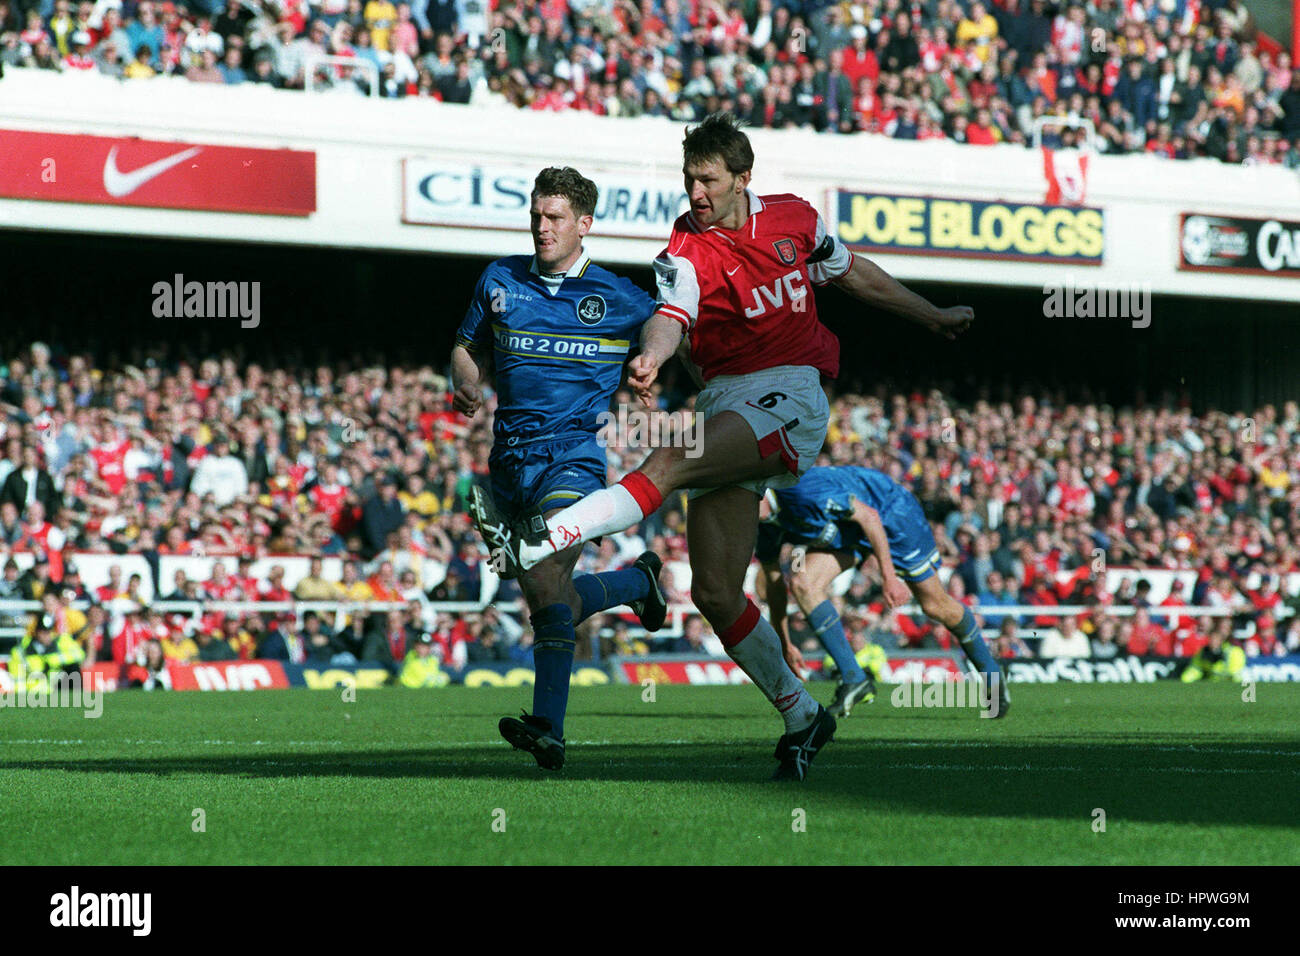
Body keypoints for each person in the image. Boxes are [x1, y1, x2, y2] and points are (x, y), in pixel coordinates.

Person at [478, 115, 973, 780]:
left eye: (707, 179)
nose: (696, 191)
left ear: (743, 178)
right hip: (723, 402)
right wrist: (652, 358)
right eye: (688, 179)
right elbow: (669, 316)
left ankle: (540, 539)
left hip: (791, 394)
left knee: (668, 459)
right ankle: (803, 715)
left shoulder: (796, 220)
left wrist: (932, 314)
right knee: (715, 590)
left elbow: (858, 278)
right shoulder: (684, 246)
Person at [455, 166, 670, 771]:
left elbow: (663, 317)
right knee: (552, 600)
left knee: (544, 559)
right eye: (535, 215)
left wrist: (650, 354)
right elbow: (466, 346)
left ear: (584, 224)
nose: (541, 227)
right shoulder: (499, 279)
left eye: (553, 217)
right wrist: (465, 380)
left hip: (572, 457)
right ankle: (636, 584)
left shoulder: (615, 295)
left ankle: (549, 725)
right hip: (510, 463)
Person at [758, 466, 1008, 718]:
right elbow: (775, 585)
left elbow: (870, 518)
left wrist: (889, 577)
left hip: (890, 512)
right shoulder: (762, 527)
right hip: (849, 530)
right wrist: (784, 643)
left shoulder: (800, 489)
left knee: (934, 606)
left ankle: (991, 673)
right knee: (803, 583)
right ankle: (854, 679)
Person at [1180, 630, 1246, 682]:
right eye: (1211, 639)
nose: (1213, 642)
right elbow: (1195, 669)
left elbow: (1236, 675)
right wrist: (1185, 680)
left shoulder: (1234, 652)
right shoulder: (1203, 652)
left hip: (1229, 684)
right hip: (1211, 684)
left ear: (1221, 641)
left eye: (1216, 639)